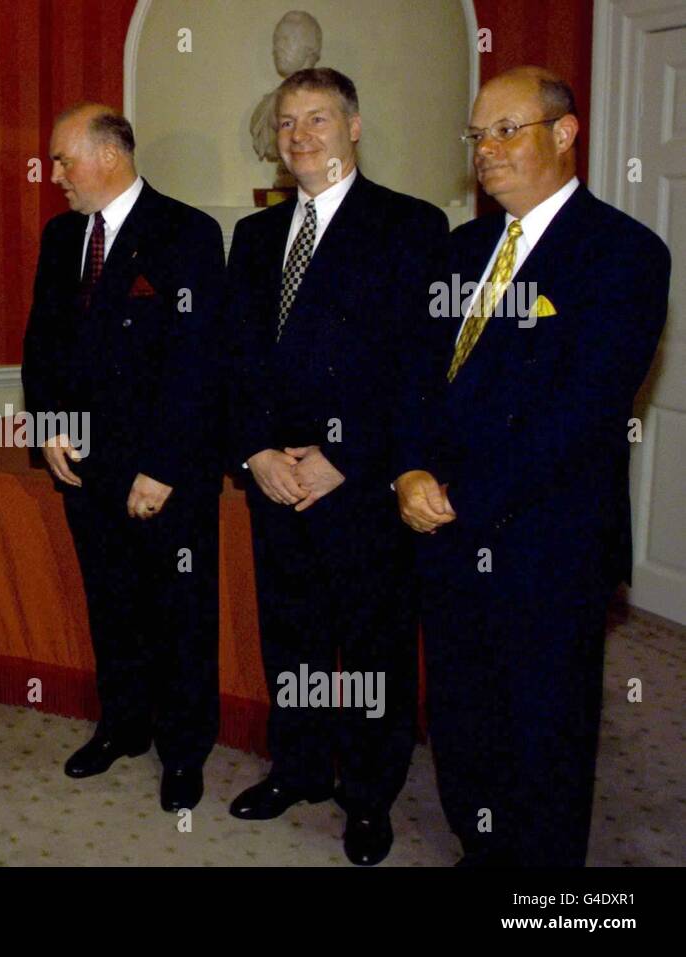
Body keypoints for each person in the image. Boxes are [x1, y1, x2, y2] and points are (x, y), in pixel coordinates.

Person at [394, 66, 671, 867]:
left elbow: (582, 412)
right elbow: (415, 377)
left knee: (545, 738)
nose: (487, 150)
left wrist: (460, 498)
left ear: (564, 133)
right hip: (442, 534)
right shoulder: (463, 247)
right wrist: (410, 472)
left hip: (547, 546)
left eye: (507, 129)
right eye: (477, 135)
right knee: (464, 718)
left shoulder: (621, 253)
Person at [225, 68, 448, 866]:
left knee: (371, 646)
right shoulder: (252, 239)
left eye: (318, 119)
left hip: (357, 487)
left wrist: (345, 459)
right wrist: (253, 453)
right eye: (287, 123)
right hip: (275, 483)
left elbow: (419, 371)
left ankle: (367, 794)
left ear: (354, 126)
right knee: (293, 638)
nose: (301, 137)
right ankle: (299, 765)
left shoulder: (411, 226)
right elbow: (235, 365)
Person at [22, 103, 225, 813]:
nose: (54, 176)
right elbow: (42, 343)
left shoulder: (188, 234)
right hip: (88, 467)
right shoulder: (60, 235)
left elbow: (195, 363)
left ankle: (183, 750)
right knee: (112, 605)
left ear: (107, 155)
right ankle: (123, 724)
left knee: (178, 612)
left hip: (163, 473)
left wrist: (162, 468)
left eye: (62, 160)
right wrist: (46, 424)